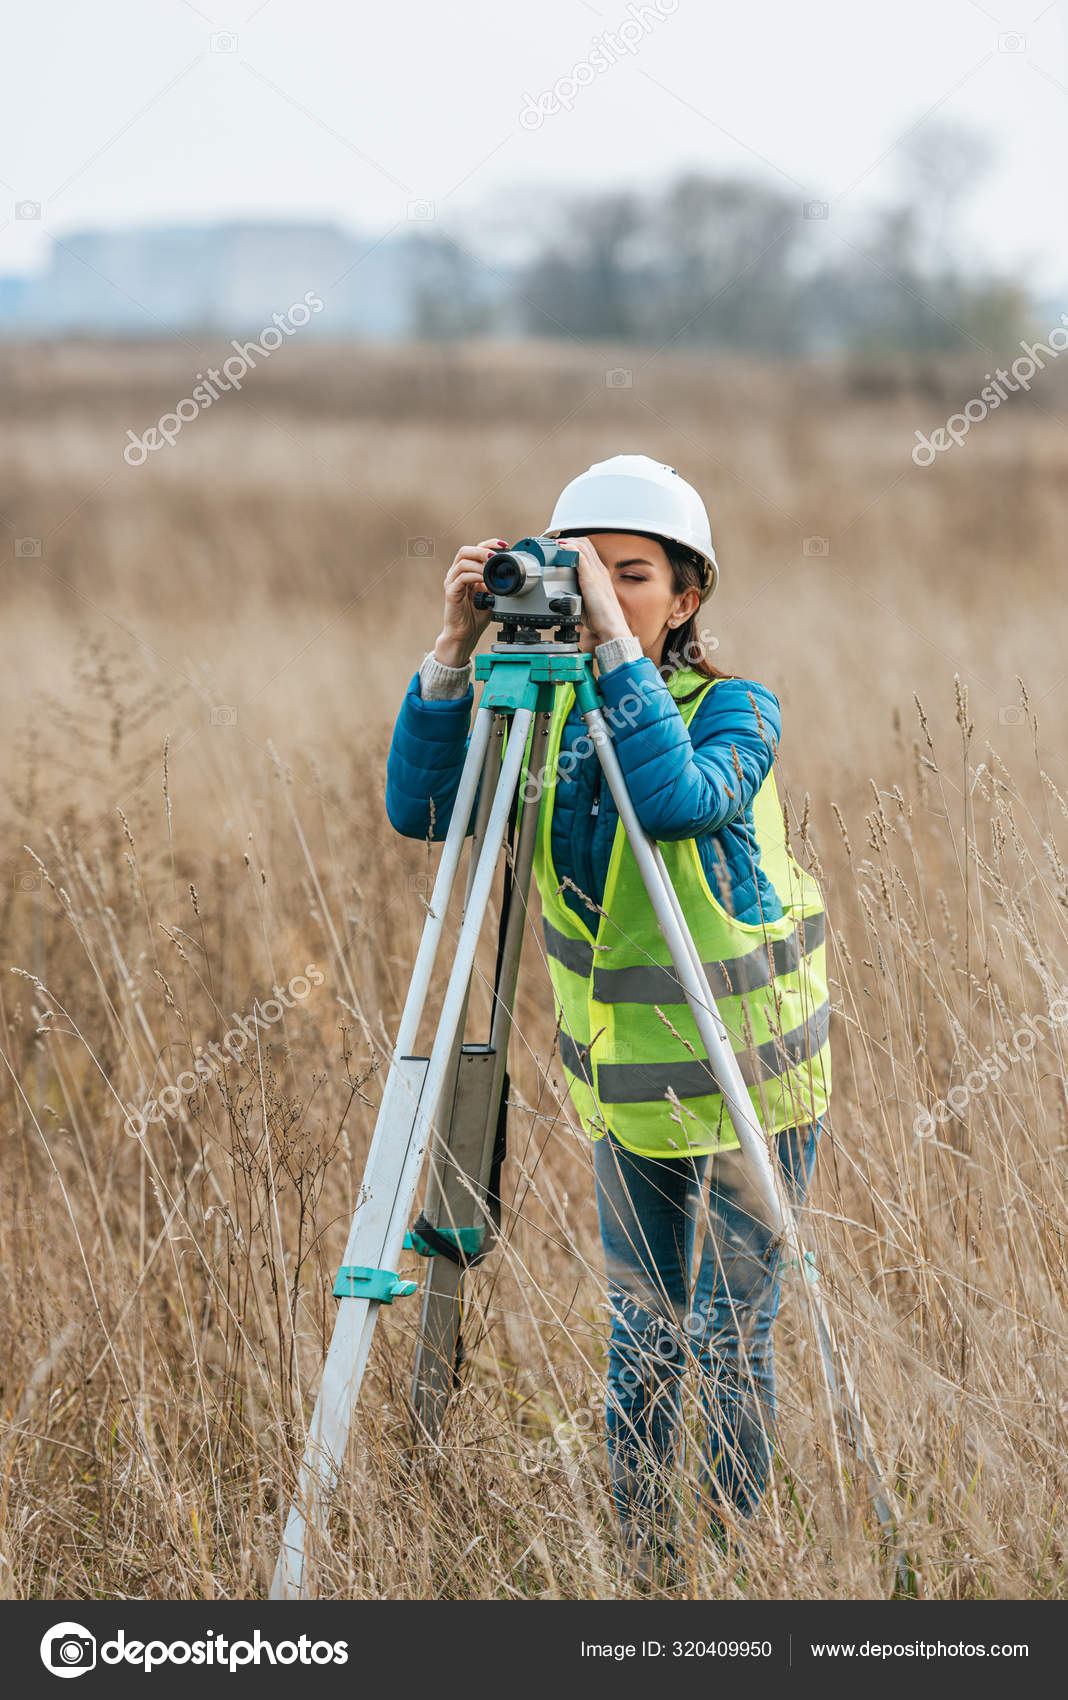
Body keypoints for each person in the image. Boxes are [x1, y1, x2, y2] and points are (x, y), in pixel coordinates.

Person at [384, 454, 832, 1588]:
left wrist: (614, 657)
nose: (599, 594)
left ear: (688, 597)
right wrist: (454, 651)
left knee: (730, 1340)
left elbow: (680, 797)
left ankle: (735, 1567)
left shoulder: (737, 708)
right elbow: (425, 809)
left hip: (751, 1081)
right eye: (577, 571)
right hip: (629, 1085)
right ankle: (639, 1567)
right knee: (643, 1340)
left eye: (630, 575)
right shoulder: (547, 713)